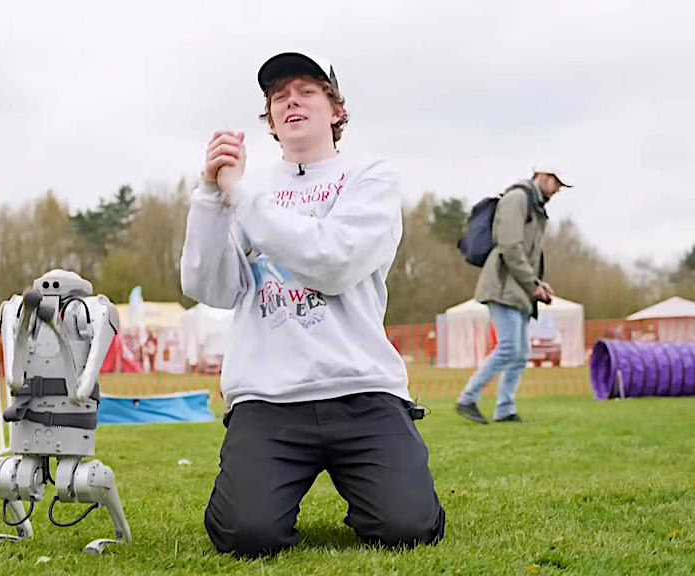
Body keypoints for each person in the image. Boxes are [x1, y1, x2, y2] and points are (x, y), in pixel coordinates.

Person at [179, 50, 446, 559]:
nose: (290, 101)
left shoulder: (371, 177)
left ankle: (384, 490)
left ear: (336, 110)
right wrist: (210, 194)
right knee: (246, 536)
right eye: (278, 97)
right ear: (271, 122)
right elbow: (209, 286)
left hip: (362, 390)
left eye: (306, 91)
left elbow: (335, 261)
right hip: (268, 397)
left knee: (407, 529)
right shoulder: (243, 192)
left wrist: (239, 193)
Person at [454, 163, 572, 424]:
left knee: (520, 354)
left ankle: (505, 409)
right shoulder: (517, 199)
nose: (558, 190)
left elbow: (527, 253)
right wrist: (533, 285)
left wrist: (538, 283)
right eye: (556, 182)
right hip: (502, 286)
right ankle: (468, 398)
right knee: (508, 349)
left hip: (518, 288)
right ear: (542, 175)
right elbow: (511, 246)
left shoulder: (534, 205)